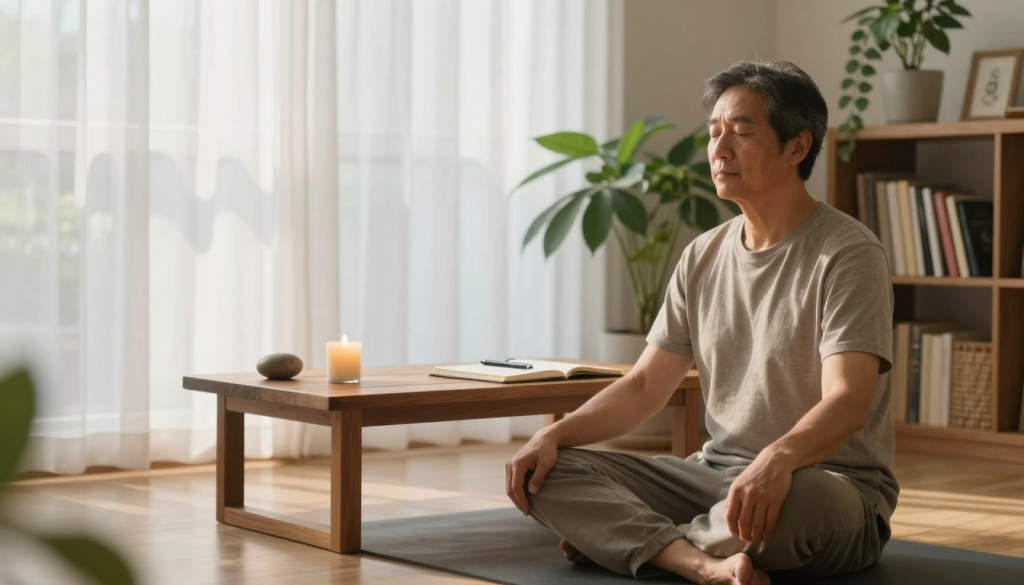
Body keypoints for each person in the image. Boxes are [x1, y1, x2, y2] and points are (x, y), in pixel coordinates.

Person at [505, 60, 897, 585]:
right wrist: (553, 437)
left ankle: (632, 538)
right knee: (549, 472)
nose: (719, 150)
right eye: (714, 133)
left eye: (740, 132)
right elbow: (645, 385)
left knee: (791, 504)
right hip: (711, 477)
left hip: (828, 484)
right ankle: (698, 562)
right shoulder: (702, 254)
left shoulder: (847, 253)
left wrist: (777, 462)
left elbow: (848, 401)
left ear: (797, 147)